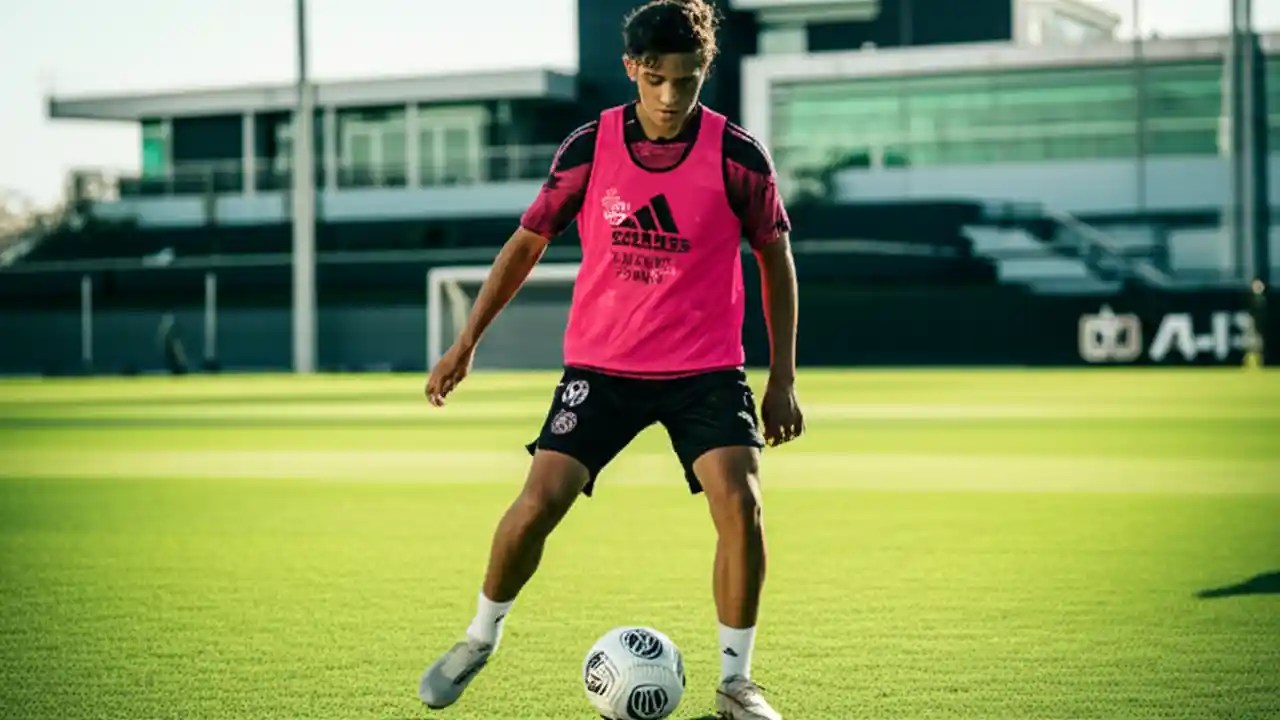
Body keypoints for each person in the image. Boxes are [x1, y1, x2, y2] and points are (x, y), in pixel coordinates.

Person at [417, 1, 803, 717]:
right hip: (602, 368)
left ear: (704, 72)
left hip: (706, 369)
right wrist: (464, 343)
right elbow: (525, 244)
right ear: (631, 69)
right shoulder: (590, 148)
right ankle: (479, 637)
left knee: (741, 503)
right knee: (539, 502)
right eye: (654, 78)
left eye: (685, 81)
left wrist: (782, 378)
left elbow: (775, 259)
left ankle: (735, 682)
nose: (668, 97)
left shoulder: (739, 156)